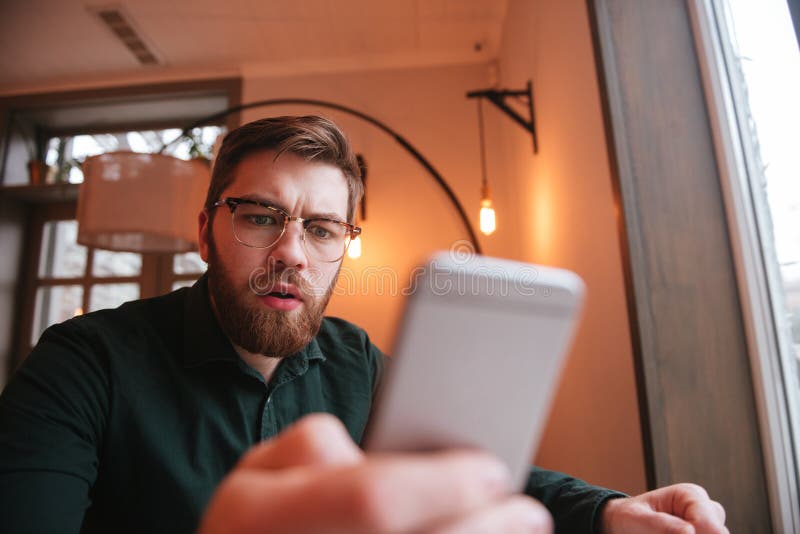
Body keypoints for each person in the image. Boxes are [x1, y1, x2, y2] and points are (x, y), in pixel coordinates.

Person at [0, 116, 727, 533]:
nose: (290, 251)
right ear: (203, 230)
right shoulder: (83, 364)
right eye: (261, 216)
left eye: (320, 228)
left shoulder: (360, 363)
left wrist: (610, 514)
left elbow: (483, 471)